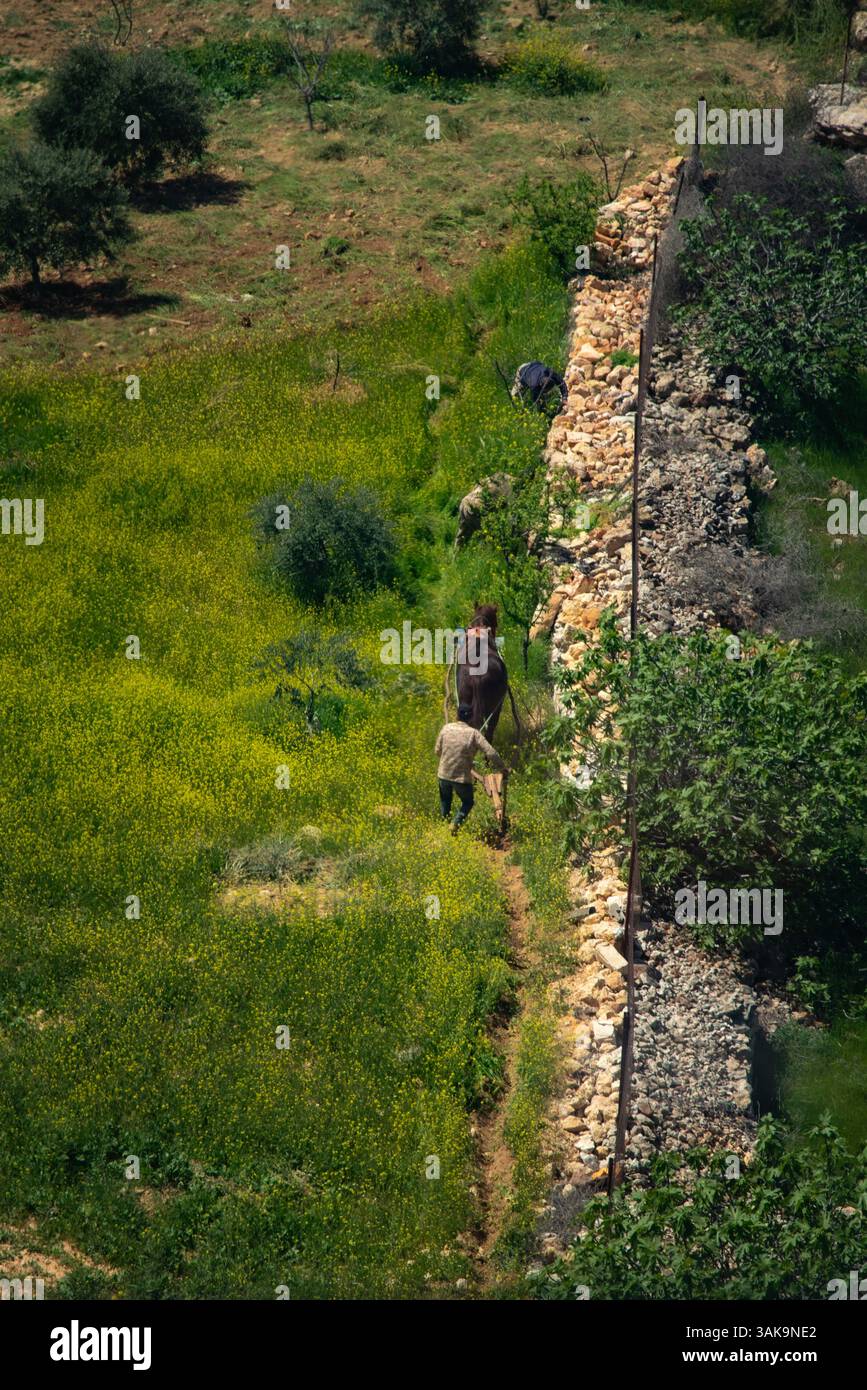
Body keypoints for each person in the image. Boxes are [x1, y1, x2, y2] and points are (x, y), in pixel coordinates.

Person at [436, 705, 506, 834]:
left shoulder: (446, 729)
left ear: (457, 715)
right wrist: (502, 768)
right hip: (461, 778)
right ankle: (455, 824)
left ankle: (444, 827)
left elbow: (437, 751)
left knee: (445, 801)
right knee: (468, 802)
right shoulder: (473, 734)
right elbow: (490, 752)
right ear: (472, 717)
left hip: (443, 774)